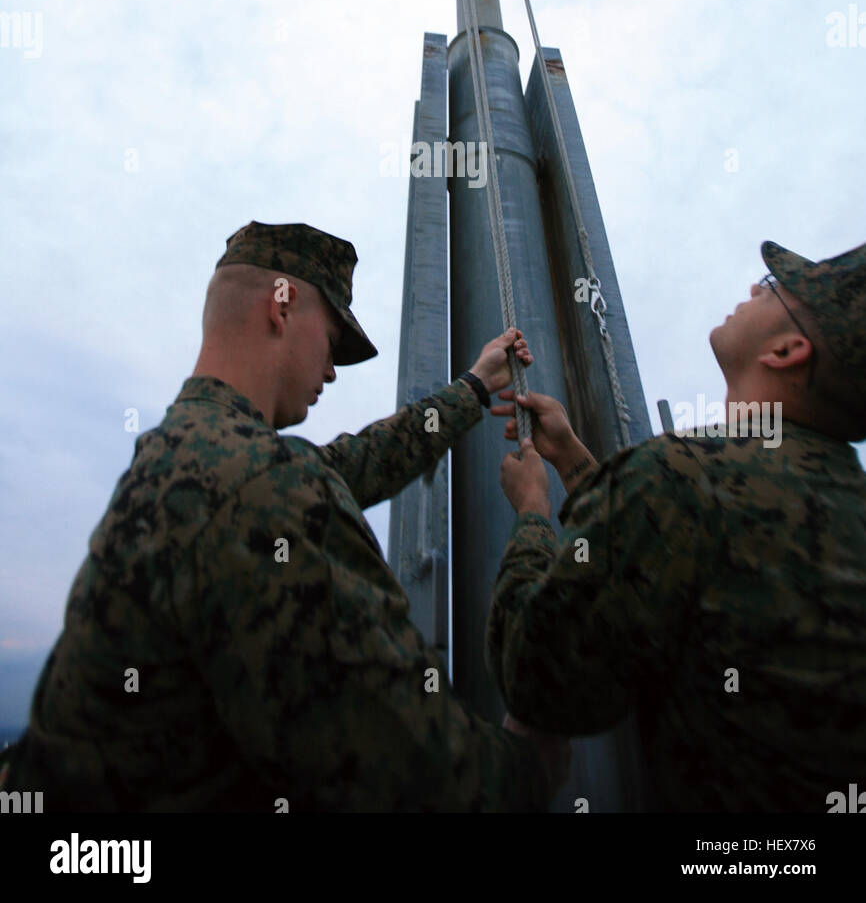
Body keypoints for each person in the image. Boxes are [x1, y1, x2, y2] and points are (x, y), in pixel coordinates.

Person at [2, 220, 568, 812]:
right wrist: (530, 765)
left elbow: (353, 464)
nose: (330, 370)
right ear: (281, 305)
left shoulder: (186, 451)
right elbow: (419, 779)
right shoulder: (260, 487)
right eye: (332, 341)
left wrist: (475, 387)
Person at [486, 238, 866, 812]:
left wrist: (533, 513)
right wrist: (571, 461)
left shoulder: (686, 474)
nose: (752, 290)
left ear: (788, 349)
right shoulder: (837, 497)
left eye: (771, 289)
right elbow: (673, 546)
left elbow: (538, 679)